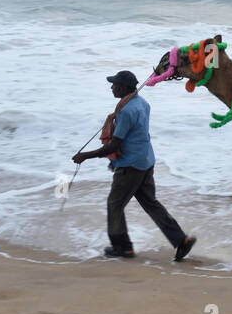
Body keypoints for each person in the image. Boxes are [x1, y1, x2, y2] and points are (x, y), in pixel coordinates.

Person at [73, 70, 197, 261]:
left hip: (130, 165)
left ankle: (122, 247)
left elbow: (114, 145)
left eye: (114, 84)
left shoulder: (126, 111)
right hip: (146, 160)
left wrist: (85, 156)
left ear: (124, 87)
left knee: (114, 204)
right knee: (151, 204)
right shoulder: (142, 103)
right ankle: (181, 240)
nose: (112, 87)